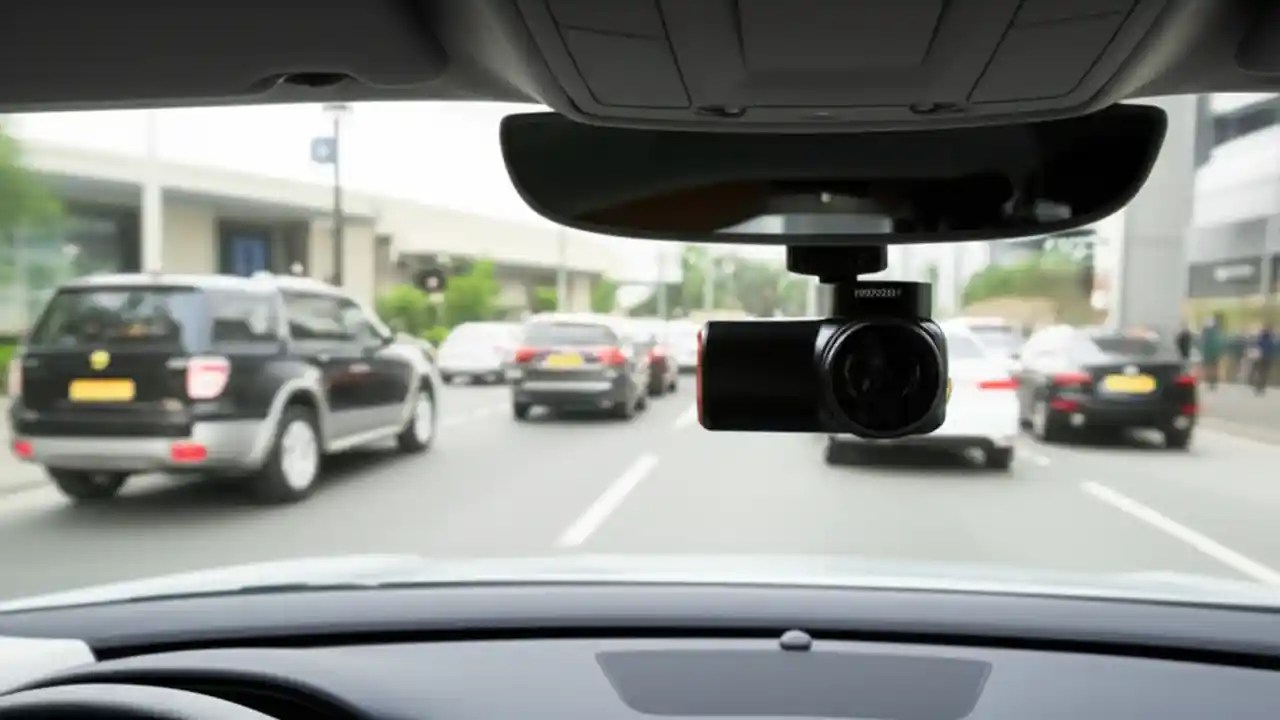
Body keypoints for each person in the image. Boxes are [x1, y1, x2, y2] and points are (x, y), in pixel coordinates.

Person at [1200, 314, 1225, 391]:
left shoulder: (1207, 333)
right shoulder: (1216, 332)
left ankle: (1211, 382)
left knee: (1210, 368)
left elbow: (1203, 343)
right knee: (1213, 368)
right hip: (1213, 354)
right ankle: (1213, 382)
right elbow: (1220, 343)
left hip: (1209, 354)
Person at [1253, 323, 1275, 396]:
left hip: (1260, 357)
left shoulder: (1260, 340)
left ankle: (1258, 387)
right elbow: (1273, 349)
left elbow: (1256, 347)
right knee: (1265, 373)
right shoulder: (1271, 340)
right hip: (1268, 358)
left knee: (1260, 372)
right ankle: (1262, 387)